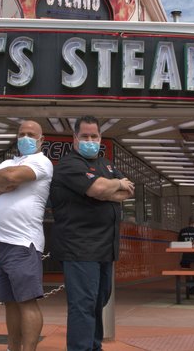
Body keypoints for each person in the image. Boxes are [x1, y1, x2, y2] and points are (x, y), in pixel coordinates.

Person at [49, 115, 134, 351]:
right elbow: (97, 188)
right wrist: (112, 185)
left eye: (94, 136)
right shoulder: (69, 165)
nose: (89, 140)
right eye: (84, 136)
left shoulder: (105, 164)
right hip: (79, 247)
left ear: (100, 138)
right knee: (83, 304)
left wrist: (107, 189)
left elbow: (127, 192)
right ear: (75, 138)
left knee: (98, 302)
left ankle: (94, 346)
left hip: (105, 248)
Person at [0, 119, 53, 351]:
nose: (25, 138)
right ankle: (13, 348)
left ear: (41, 140)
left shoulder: (42, 162)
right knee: (10, 303)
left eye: (31, 134)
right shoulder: (9, 162)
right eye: (22, 133)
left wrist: (0, 179)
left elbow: (10, 178)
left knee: (26, 302)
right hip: (2, 244)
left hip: (23, 243)